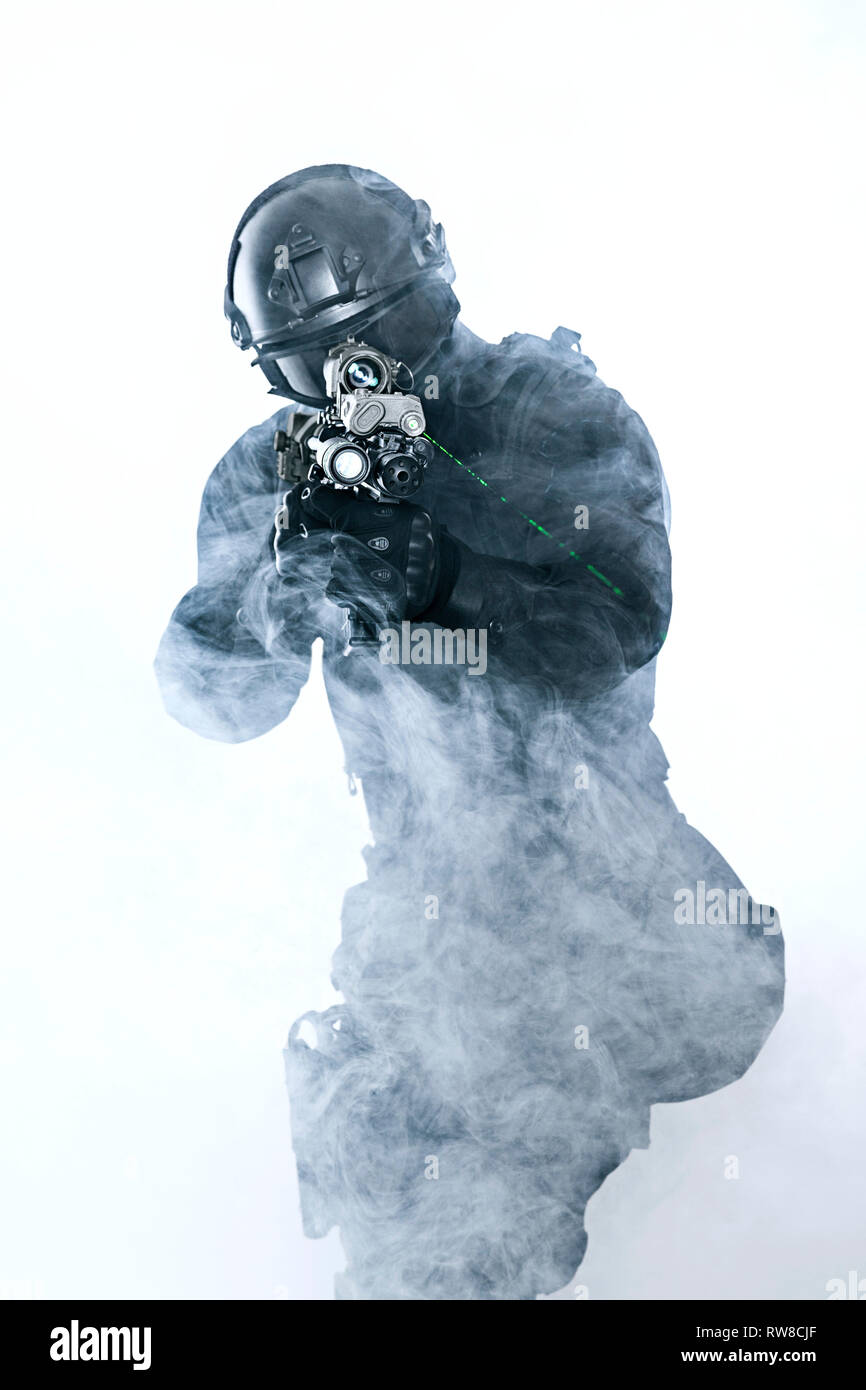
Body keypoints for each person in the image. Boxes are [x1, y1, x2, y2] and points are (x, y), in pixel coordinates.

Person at [155, 164, 784, 1300]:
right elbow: (205, 695)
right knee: (398, 1187)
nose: (355, 392)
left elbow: (620, 620)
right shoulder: (280, 472)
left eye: (369, 348)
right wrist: (272, 605)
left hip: (610, 890)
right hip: (423, 909)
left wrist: (442, 577)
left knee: (487, 1193)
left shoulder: (544, 412)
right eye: (320, 367)